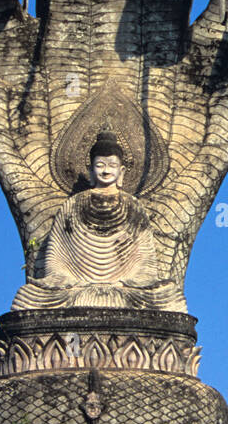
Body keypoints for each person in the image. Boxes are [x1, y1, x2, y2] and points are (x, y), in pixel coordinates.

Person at [12, 131, 184, 311]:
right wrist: (64, 279)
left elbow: (146, 260)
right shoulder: (73, 205)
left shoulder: (134, 207)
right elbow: (56, 256)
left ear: (121, 171)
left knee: (172, 300)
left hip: (126, 290)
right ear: (91, 170)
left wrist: (132, 280)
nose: (106, 170)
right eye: (100, 165)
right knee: (26, 298)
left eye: (112, 165)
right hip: (75, 289)